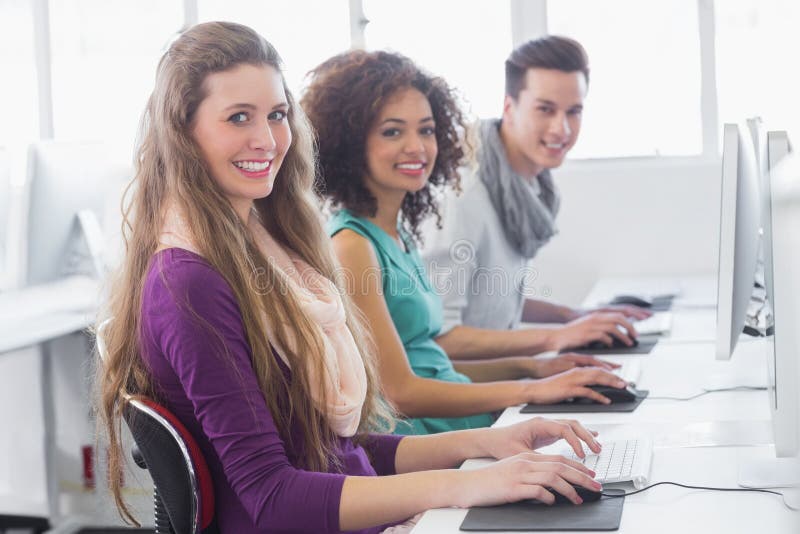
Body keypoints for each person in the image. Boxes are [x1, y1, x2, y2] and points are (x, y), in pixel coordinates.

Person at [96, 22, 605, 534]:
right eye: (238, 118)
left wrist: (483, 445)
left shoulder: (263, 250)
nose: (267, 139)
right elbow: (272, 498)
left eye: (277, 115)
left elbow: (334, 452)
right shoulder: (189, 283)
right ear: (184, 133)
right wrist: (469, 482)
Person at [302, 50, 628, 436]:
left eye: (425, 130)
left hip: (458, 423)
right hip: (429, 442)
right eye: (393, 131)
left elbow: (432, 360)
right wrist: (531, 388)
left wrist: (535, 367)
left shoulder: (395, 234)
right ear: (350, 144)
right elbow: (401, 392)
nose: (417, 147)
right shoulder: (352, 246)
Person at [421, 35, 653, 363]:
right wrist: (555, 338)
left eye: (574, 112)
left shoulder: (527, 187)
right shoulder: (463, 195)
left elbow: (490, 300)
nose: (562, 129)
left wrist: (572, 316)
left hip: (499, 384)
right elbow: (440, 336)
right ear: (509, 107)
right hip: (467, 396)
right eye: (545, 109)